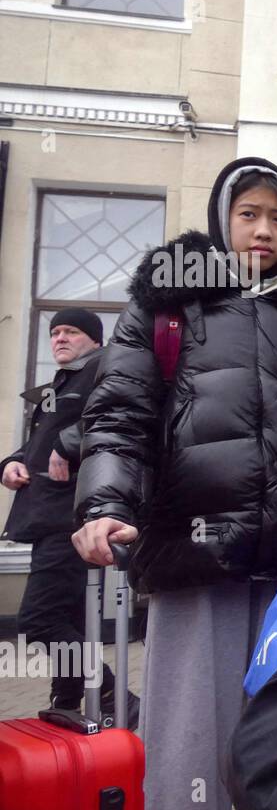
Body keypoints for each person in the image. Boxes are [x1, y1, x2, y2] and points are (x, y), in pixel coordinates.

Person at [71, 156, 277, 810]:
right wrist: (105, 505)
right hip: (194, 554)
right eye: (249, 215)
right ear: (222, 219)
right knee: (187, 743)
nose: (263, 231)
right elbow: (119, 413)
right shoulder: (168, 304)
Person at [2, 309, 136, 724]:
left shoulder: (106, 367)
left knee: (37, 621)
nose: (60, 338)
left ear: (94, 340)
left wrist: (72, 441)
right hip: (50, 516)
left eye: (71, 331)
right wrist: (11, 462)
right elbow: (38, 444)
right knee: (67, 617)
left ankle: (113, 691)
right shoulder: (61, 383)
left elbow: (124, 411)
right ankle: (66, 699)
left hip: (72, 518)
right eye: (55, 331)